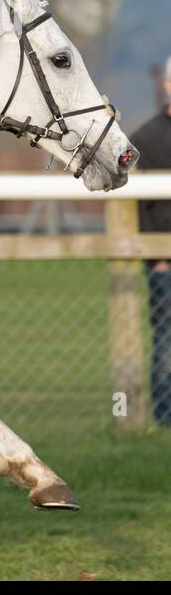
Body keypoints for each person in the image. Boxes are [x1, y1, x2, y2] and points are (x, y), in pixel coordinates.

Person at [131, 56, 171, 426]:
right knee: (166, 340)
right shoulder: (144, 139)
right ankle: (165, 416)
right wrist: (155, 255)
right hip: (165, 260)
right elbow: (138, 206)